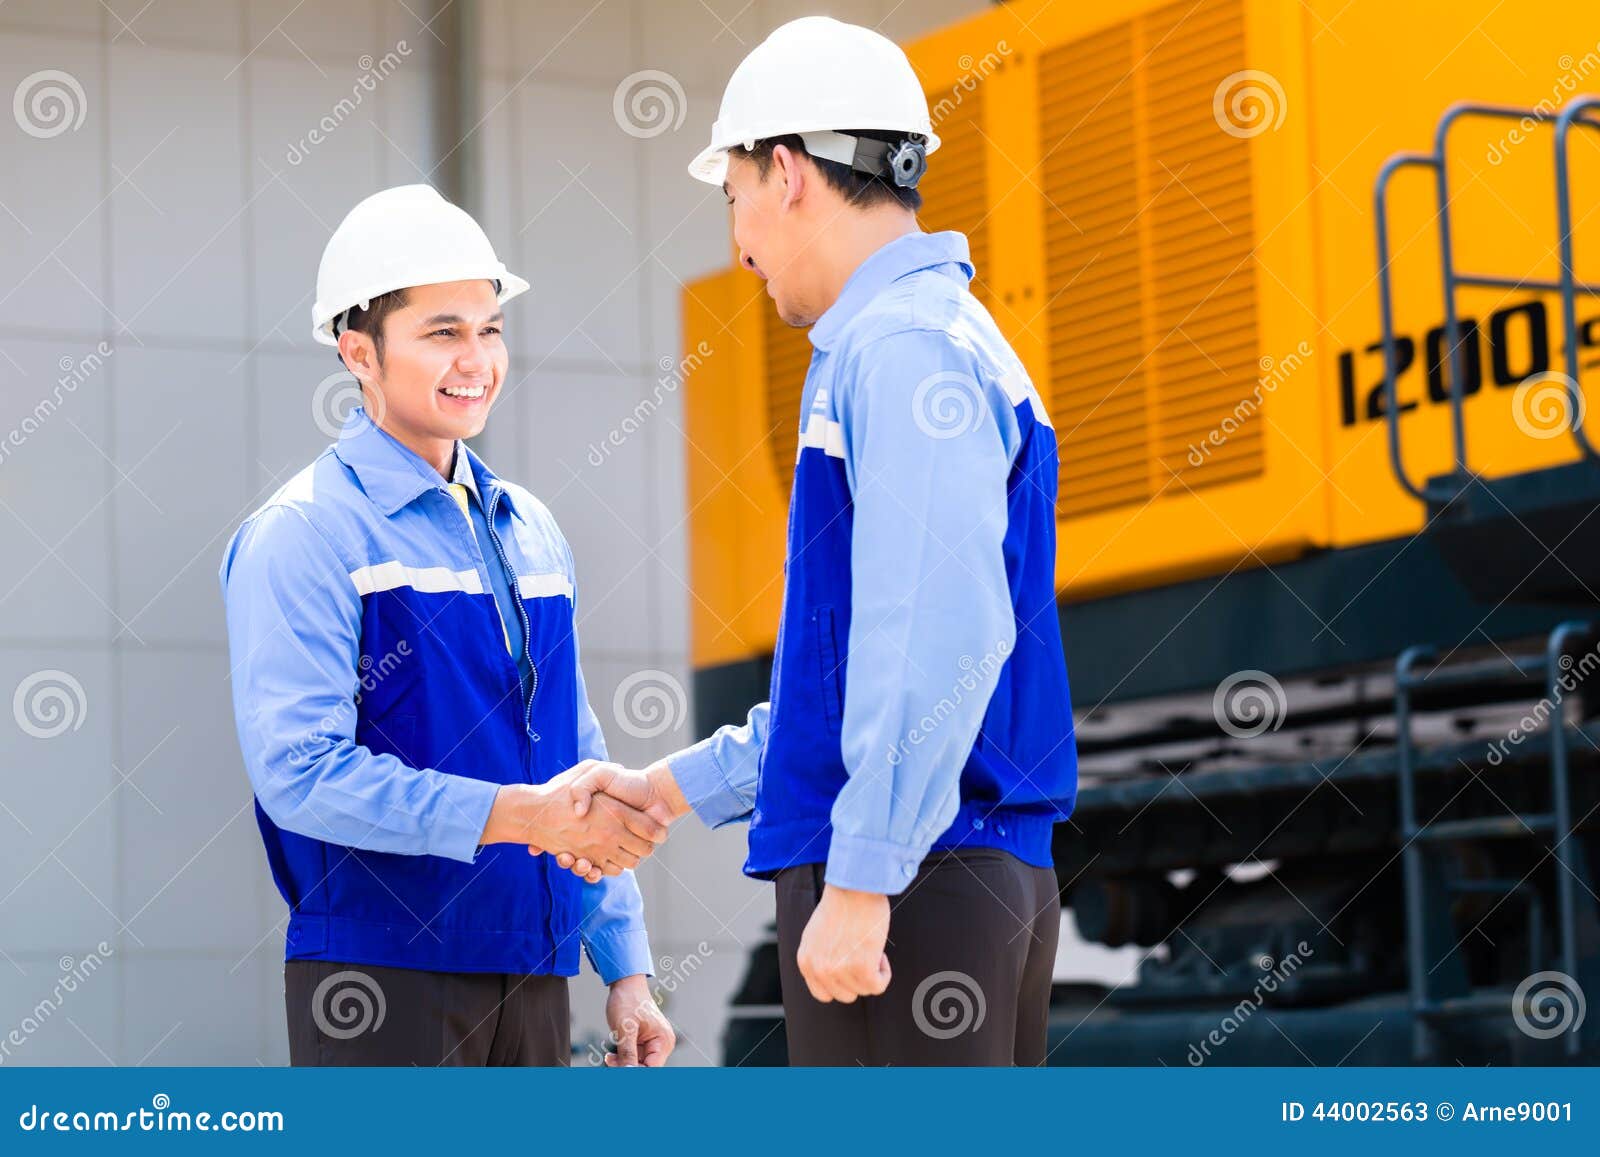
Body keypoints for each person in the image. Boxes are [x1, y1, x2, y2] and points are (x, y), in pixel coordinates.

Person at [557, 17, 1078, 1066]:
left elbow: (934, 632)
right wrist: (673, 787)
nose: (738, 238)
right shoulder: (926, 339)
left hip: (921, 888)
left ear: (787, 172)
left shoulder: (900, 349)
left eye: (733, 194)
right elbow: (850, 676)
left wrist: (864, 874)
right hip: (949, 877)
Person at [219, 185, 674, 1067]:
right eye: (442, 332)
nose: (478, 359)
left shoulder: (529, 527)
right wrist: (515, 815)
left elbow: (574, 758)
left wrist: (623, 964)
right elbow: (299, 773)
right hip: (382, 979)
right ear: (358, 352)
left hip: (534, 971)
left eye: (490, 327)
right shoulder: (305, 533)